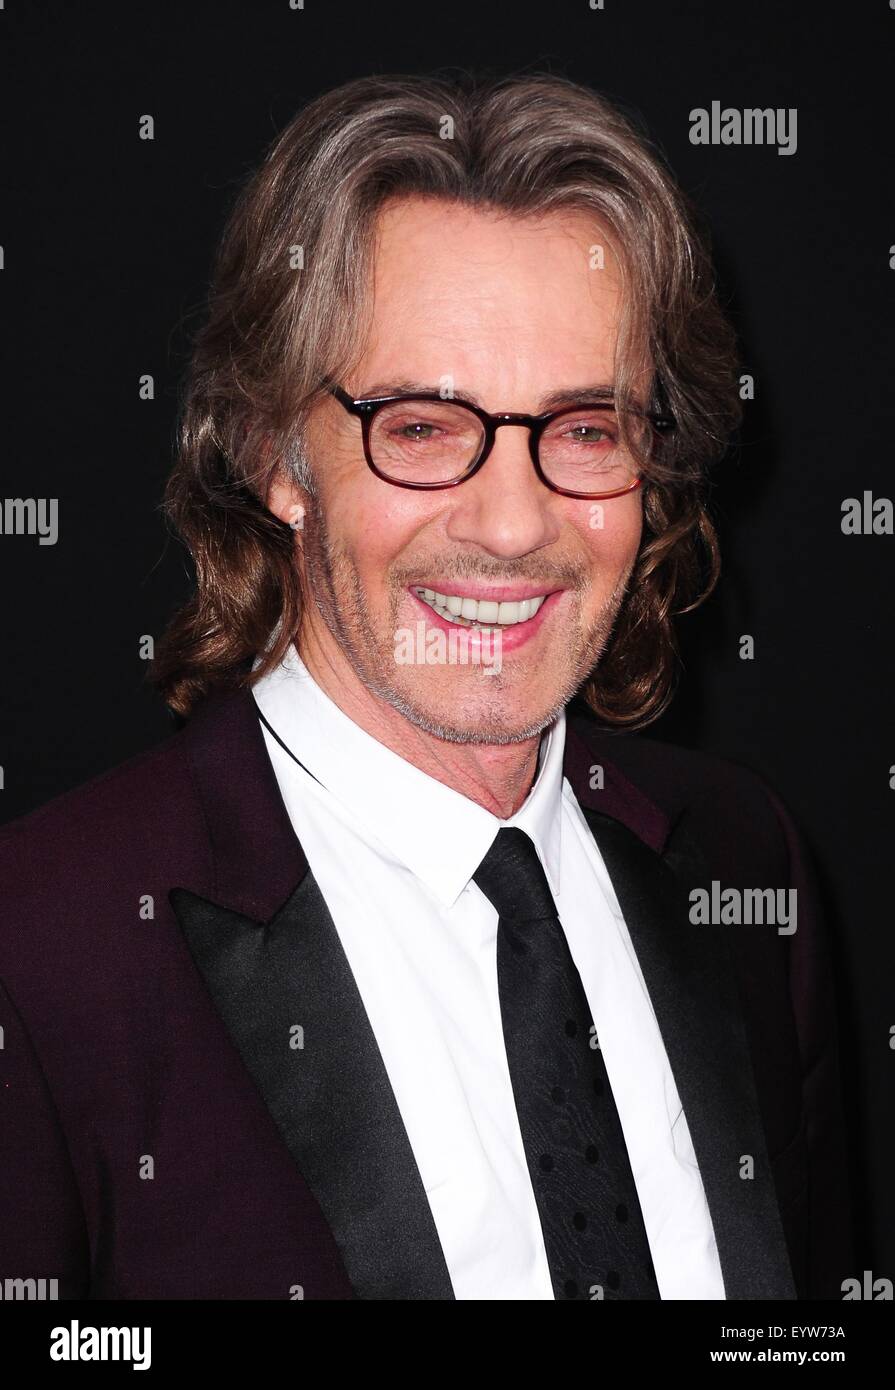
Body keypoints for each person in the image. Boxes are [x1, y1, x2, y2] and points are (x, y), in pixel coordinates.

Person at [0, 71, 852, 1300]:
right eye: (420, 426)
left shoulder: (743, 866)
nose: (513, 525)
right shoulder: (43, 952)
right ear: (274, 453)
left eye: (585, 427)